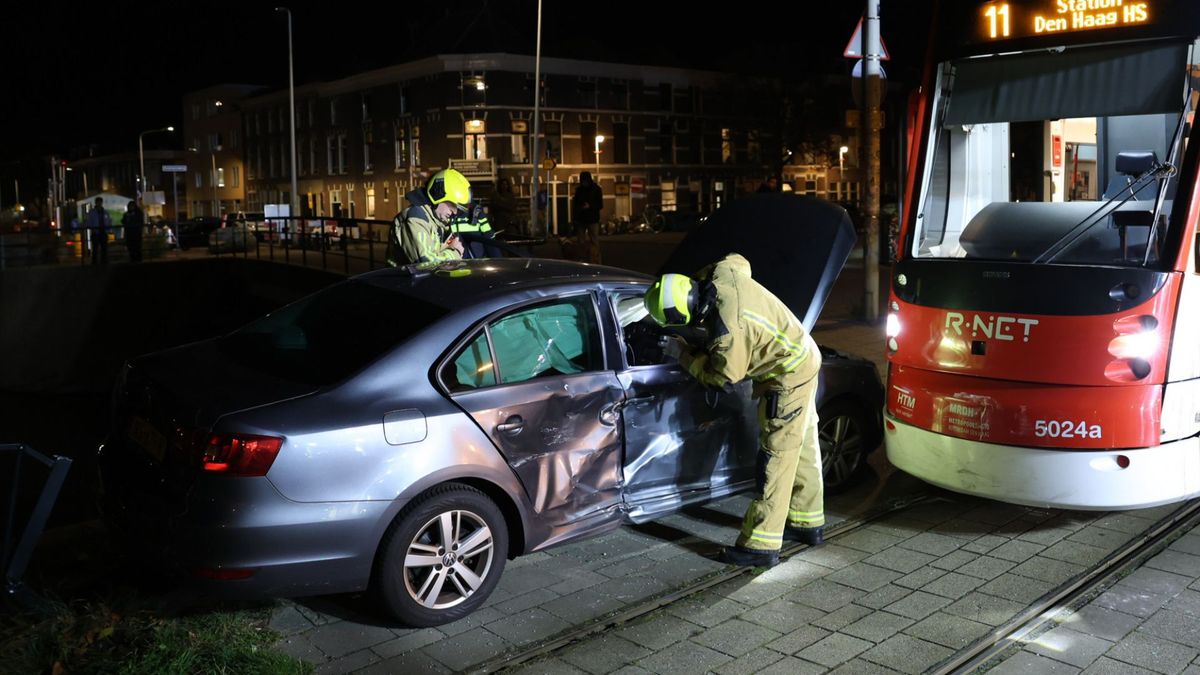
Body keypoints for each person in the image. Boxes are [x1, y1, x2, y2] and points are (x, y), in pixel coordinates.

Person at [644, 253, 824, 568]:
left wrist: (683, 353)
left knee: (777, 457)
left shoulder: (728, 331)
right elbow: (737, 259)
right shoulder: (722, 273)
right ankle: (807, 523)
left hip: (786, 376)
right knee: (802, 445)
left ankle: (761, 545)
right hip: (803, 353)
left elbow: (723, 377)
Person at [388, 169, 469, 266]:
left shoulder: (436, 220)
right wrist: (455, 252)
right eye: (452, 205)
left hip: (419, 279)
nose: (454, 212)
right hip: (402, 279)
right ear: (438, 195)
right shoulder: (415, 219)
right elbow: (425, 263)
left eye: (458, 209)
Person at [571, 172, 603, 264]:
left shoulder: (596, 189)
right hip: (581, 219)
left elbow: (600, 205)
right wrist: (576, 215)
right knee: (581, 241)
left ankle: (596, 260)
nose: (584, 183)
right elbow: (575, 204)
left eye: (585, 181)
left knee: (594, 241)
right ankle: (583, 260)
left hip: (592, 219)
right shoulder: (579, 190)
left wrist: (590, 206)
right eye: (583, 181)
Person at [84, 197, 112, 265]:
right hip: (96, 232)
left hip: (102, 232)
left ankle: (102, 261)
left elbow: (108, 221)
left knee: (103, 248)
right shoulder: (93, 212)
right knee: (96, 249)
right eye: (98, 202)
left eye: (100, 202)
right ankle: (96, 262)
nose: (99, 204)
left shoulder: (104, 212)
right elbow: (89, 221)